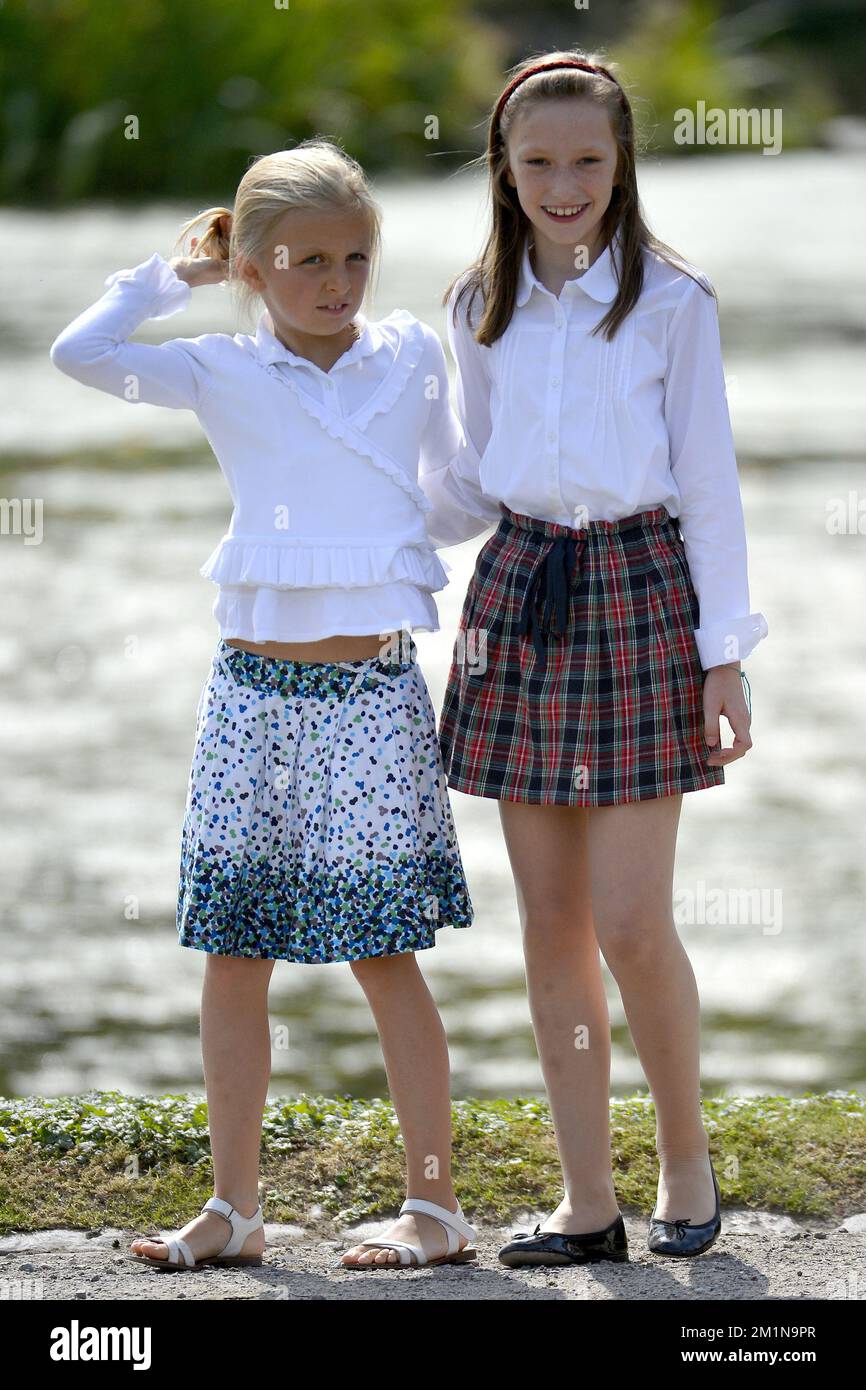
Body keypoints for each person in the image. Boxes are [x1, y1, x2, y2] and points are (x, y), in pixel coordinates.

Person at [49, 139, 479, 1272]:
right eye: (302, 261)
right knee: (233, 954)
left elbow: (451, 493)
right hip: (248, 698)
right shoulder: (218, 370)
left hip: (370, 694)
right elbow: (76, 351)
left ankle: (432, 1208)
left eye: (352, 258)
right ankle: (231, 1209)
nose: (334, 282)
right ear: (252, 264)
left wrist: (378, 555)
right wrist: (169, 275)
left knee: (385, 953)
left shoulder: (412, 359)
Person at [418, 50, 768, 1263]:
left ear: (620, 165)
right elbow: (461, 481)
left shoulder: (672, 298)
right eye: (536, 163)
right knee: (549, 926)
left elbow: (709, 487)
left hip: (637, 593)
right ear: (502, 173)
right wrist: (359, 539)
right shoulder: (473, 305)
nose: (561, 183)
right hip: (516, 587)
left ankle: (683, 1165)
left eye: (585, 160)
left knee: (628, 920)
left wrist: (723, 653)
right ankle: (586, 1202)